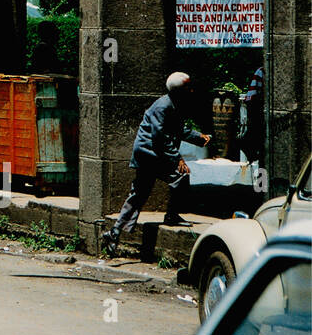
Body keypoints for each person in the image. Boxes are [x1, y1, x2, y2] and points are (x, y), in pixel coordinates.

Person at [103, 73, 212, 256]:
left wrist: (198, 138)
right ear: (179, 90)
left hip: (154, 153)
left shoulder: (174, 104)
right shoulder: (163, 106)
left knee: (140, 193)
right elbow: (160, 137)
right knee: (175, 177)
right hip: (149, 154)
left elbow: (178, 130)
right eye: (188, 87)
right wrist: (177, 159)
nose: (191, 90)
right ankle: (167, 217)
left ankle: (115, 232)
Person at [239, 65, 264, 167]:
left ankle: (255, 158)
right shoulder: (260, 71)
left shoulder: (261, 71)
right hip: (256, 109)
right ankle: (254, 157)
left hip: (257, 110)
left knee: (248, 140)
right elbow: (252, 96)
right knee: (247, 139)